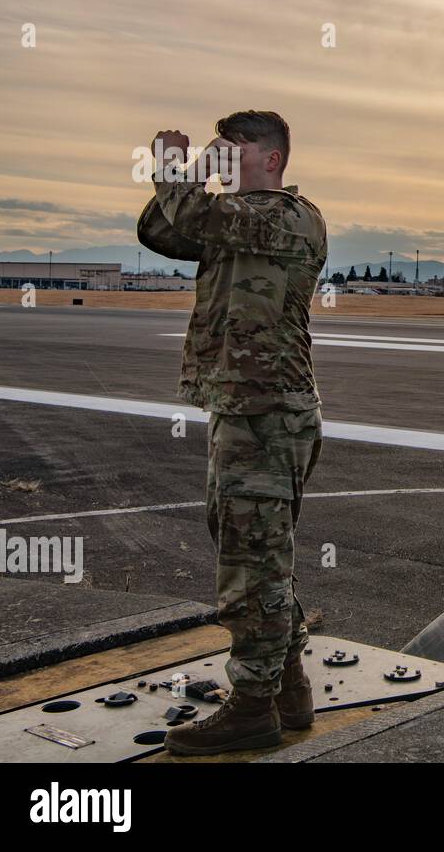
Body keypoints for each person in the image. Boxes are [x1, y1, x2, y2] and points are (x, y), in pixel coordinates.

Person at [138, 110, 327, 755]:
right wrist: (191, 172)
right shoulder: (233, 224)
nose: (223, 158)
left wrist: (172, 168)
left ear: (273, 159)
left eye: (235, 149)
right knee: (257, 554)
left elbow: (191, 216)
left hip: (269, 414)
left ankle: (251, 706)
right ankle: (287, 687)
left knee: (252, 563)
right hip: (242, 409)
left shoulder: (288, 218)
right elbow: (160, 231)